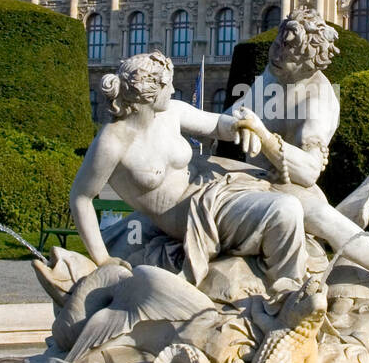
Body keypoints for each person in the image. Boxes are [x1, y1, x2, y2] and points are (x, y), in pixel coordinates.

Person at [230, 9, 369, 304]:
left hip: (289, 187)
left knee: (320, 215)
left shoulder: (319, 102)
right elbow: (234, 114)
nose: (278, 56)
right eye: (277, 46)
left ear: (310, 64)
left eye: (289, 53)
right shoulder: (277, 69)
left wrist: (263, 135)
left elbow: (308, 172)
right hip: (245, 177)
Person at [69, 51, 307, 291]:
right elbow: (80, 198)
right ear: (150, 92)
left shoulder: (170, 112)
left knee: (297, 201)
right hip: (195, 216)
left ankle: (289, 294)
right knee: (284, 210)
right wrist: (103, 260)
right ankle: (286, 296)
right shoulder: (112, 142)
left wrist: (239, 125)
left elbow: (215, 124)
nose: (173, 91)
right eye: (168, 85)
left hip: (215, 190)